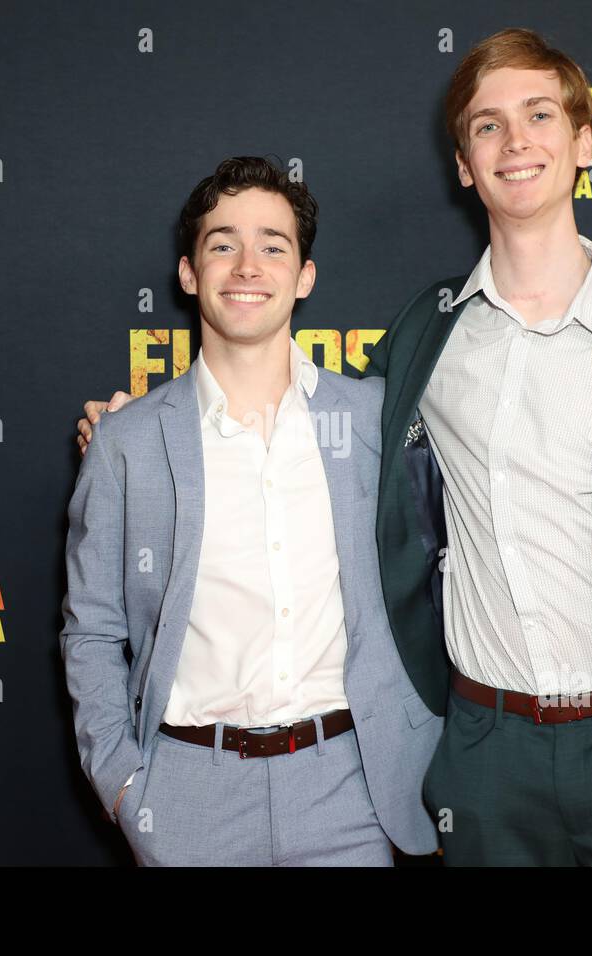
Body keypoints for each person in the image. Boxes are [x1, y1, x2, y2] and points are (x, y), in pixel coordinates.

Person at [79, 29, 592, 866]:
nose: (515, 142)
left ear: (584, 143)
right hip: (484, 759)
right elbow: (279, 397)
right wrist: (134, 428)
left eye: (540, 115)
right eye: (487, 126)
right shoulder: (424, 338)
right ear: (463, 163)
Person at [60, 156, 441, 866]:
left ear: (304, 277)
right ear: (188, 272)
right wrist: (122, 782)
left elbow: (442, 578)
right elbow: (92, 628)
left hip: (349, 794)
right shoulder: (128, 441)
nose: (246, 265)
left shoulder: (371, 421)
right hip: (185, 796)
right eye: (222, 243)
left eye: (273, 245)